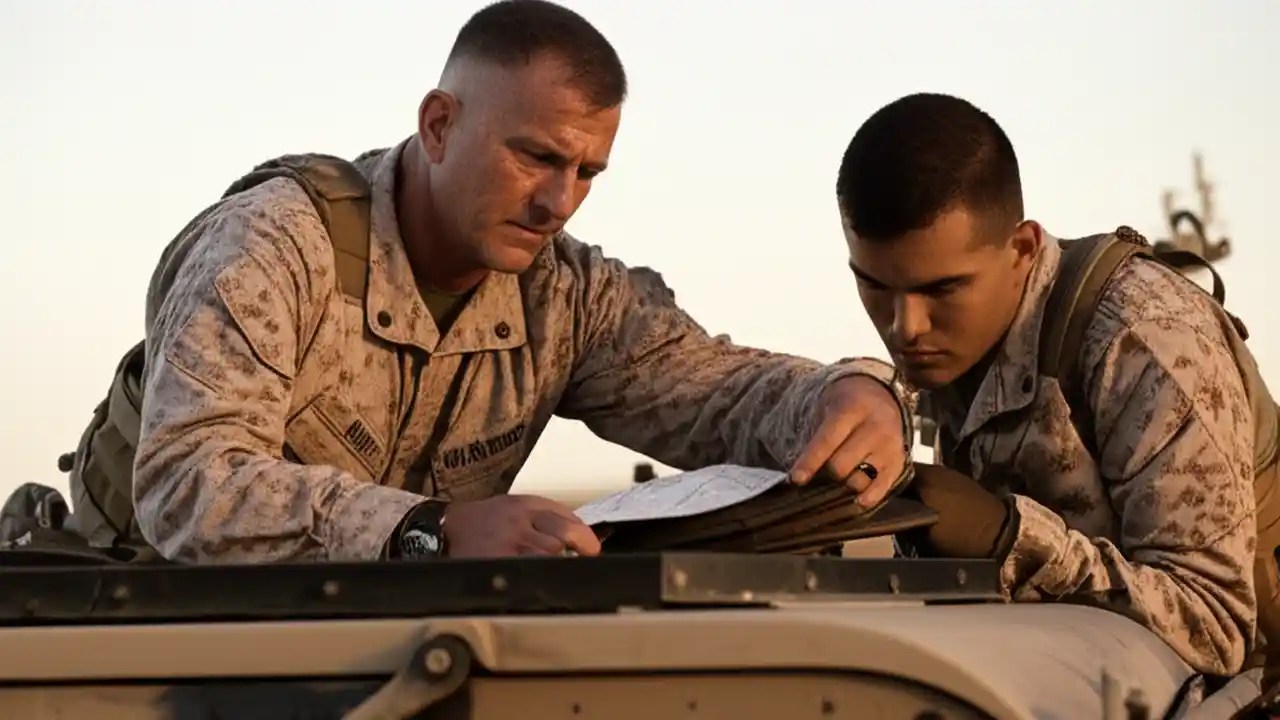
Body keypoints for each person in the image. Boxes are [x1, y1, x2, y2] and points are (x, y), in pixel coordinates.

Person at [62, 0, 914, 566]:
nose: (558, 201)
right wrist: (426, 529)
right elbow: (187, 482)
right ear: (438, 125)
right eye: (536, 156)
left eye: (587, 171)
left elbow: (720, 391)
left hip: (380, 643)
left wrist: (853, 395)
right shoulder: (279, 243)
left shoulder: (568, 298)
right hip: (129, 630)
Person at [832, 91, 1275, 678]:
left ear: (1022, 250)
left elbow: (1215, 630)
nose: (904, 326)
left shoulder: (1143, 338)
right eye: (876, 287)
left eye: (941, 291)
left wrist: (1008, 538)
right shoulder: (952, 347)